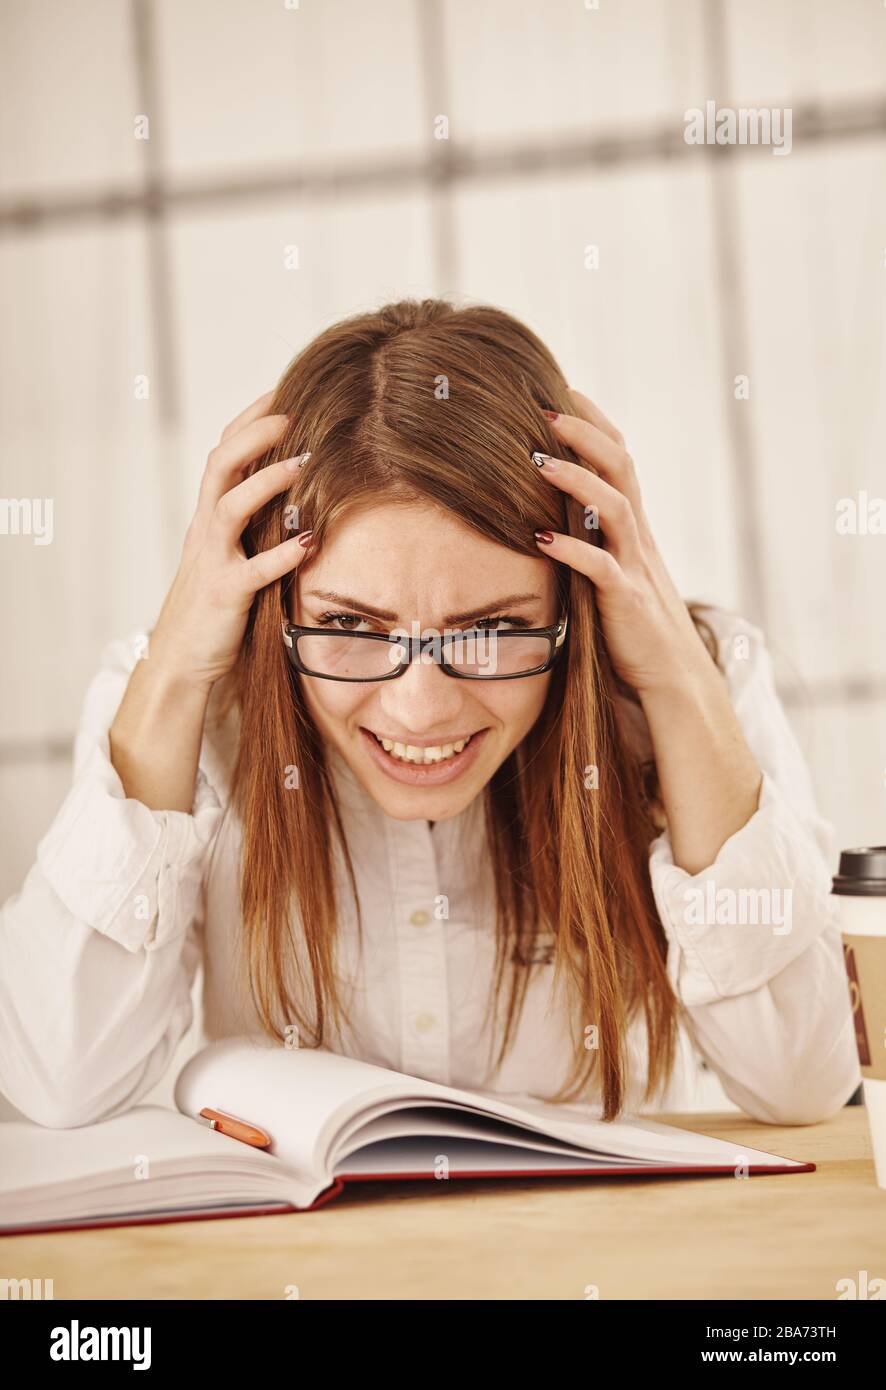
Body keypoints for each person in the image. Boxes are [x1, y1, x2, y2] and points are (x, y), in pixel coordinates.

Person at [0, 298, 860, 1129]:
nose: (420, 708)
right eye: (347, 626)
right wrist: (181, 663)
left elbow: (804, 1081)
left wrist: (674, 684)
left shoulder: (684, 689)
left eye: (492, 629)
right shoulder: (183, 708)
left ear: (575, 599)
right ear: (275, 604)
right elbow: (60, 1079)